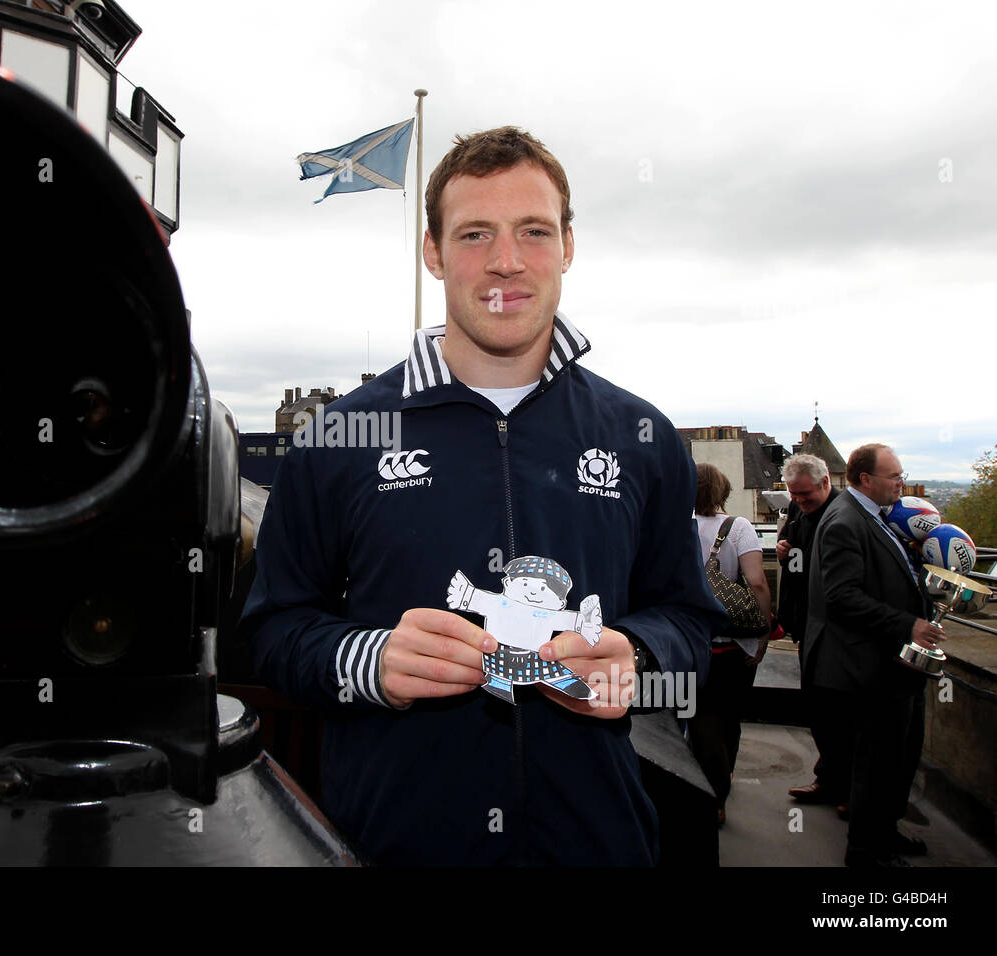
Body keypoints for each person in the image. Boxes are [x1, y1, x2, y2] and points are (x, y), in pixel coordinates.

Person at [240, 126, 726, 866]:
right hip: (389, 845)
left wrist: (641, 657)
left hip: (600, 844)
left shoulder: (643, 437)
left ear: (568, 245)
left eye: (533, 230)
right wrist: (368, 661)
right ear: (433, 253)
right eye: (474, 234)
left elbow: (691, 624)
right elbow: (270, 632)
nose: (506, 261)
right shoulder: (341, 436)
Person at [804, 443, 939, 867]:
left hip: (890, 665)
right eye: (894, 475)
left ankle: (885, 833)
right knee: (879, 764)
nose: (901, 482)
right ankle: (866, 853)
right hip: (871, 668)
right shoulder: (847, 520)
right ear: (866, 480)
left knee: (898, 758)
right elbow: (841, 597)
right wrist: (908, 625)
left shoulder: (871, 515)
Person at [686, 462, 771, 825]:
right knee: (727, 718)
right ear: (723, 492)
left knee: (695, 716)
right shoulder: (739, 528)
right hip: (731, 643)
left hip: (689, 639)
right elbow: (758, 584)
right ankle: (718, 792)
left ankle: (696, 783)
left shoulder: (677, 527)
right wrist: (762, 633)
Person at [775, 454, 849, 808]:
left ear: (825, 483)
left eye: (806, 496)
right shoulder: (799, 508)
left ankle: (848, 788)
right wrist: (782, 548)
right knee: (819, 709)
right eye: (795, 496)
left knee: (840, 712)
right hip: (808, 624)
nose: (800, 503)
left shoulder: (842, 516)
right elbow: (793, 547)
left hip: (836, 631)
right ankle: (831, 780)